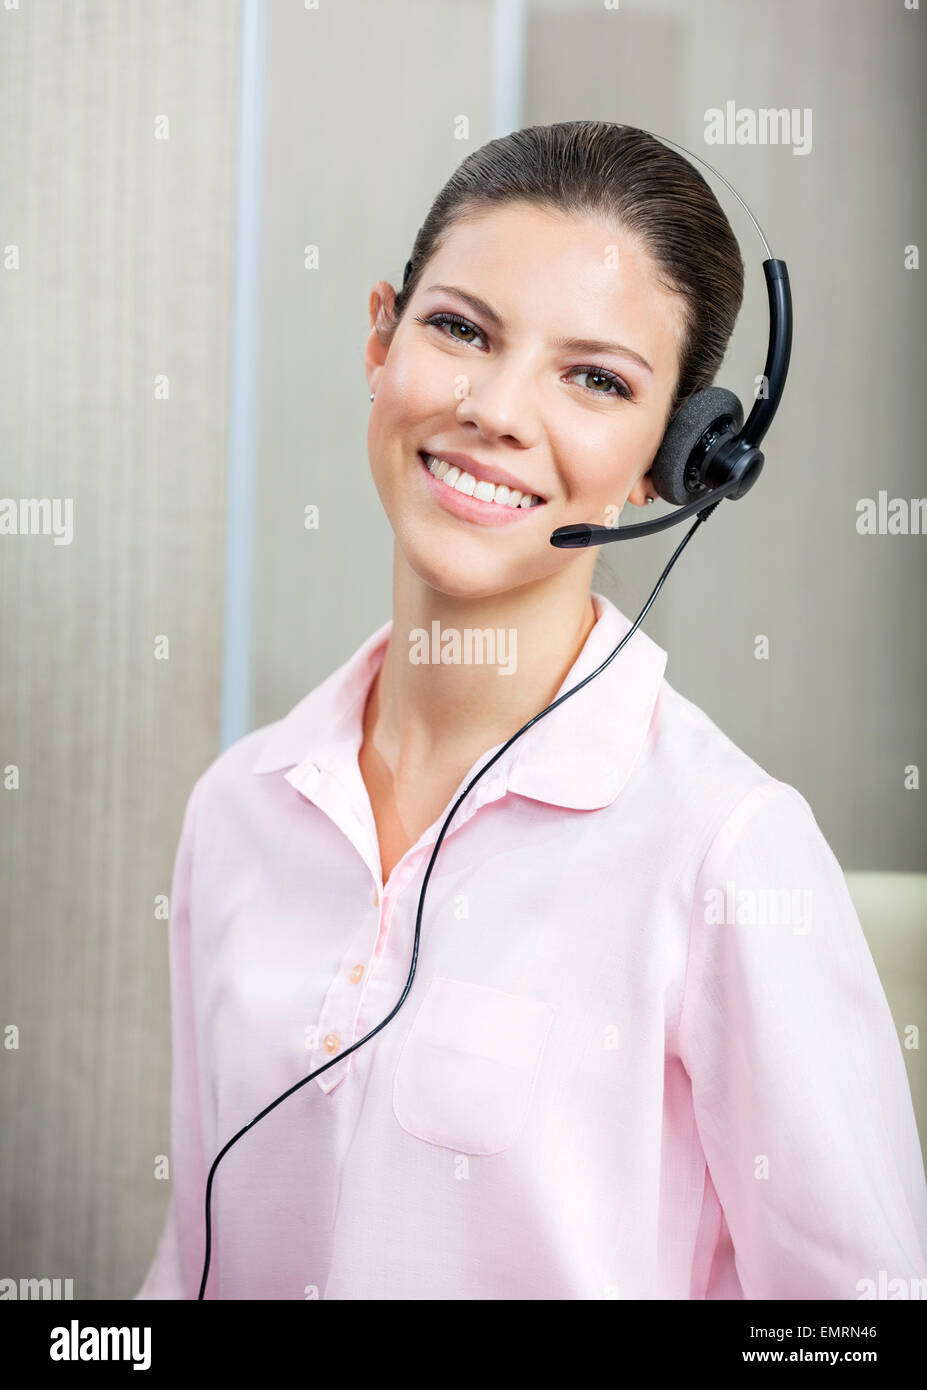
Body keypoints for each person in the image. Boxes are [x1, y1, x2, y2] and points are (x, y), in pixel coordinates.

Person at [134, 121, 927, 1300]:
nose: (498, 409)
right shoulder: (239, 806)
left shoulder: (724, 850)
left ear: (678, 460)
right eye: (461, 328)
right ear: (378, 338)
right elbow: (194, 1263)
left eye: (596, 378)